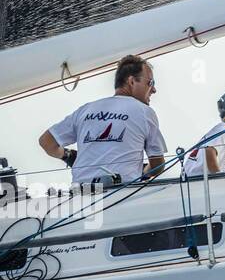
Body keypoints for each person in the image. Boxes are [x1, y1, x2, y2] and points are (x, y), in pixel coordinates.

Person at [39, 54, 167, 184]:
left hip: (82, 196)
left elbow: (46, 142)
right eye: (150, 83)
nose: (154, 90)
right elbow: (157, 165)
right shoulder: (145, 112)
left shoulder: (86, 110)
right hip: (121, 194)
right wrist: (143, 173)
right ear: (132, 81)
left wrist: (67, 156)